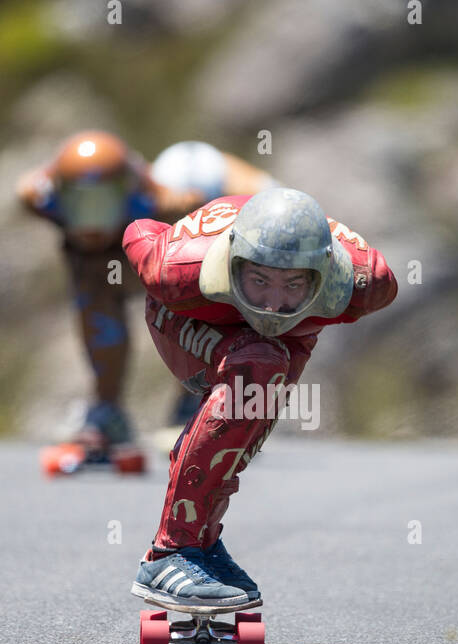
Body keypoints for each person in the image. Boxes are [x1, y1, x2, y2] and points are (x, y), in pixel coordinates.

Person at [122, 187, 398, 607]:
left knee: (246, 426)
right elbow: (138, 230)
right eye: (258, 279)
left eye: (293, 284)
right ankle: (170, 553)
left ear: (323, 277)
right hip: (186, 313)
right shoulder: (175, 268)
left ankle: (203, 543)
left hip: (293, 338)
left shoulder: (366, 283)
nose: (272, 305)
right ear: (232, 263)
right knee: (258, 365)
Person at [16, 132, 274, 470]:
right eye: (80, 206)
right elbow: (27, 187)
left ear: (126, 197)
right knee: (91, 278)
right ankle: (108, 407)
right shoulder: (41, 197)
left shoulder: (163, 203)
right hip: (120, 258)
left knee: (199, 284)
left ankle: (199, 397)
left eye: (102, 206)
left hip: (193, 233)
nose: (91, 223)